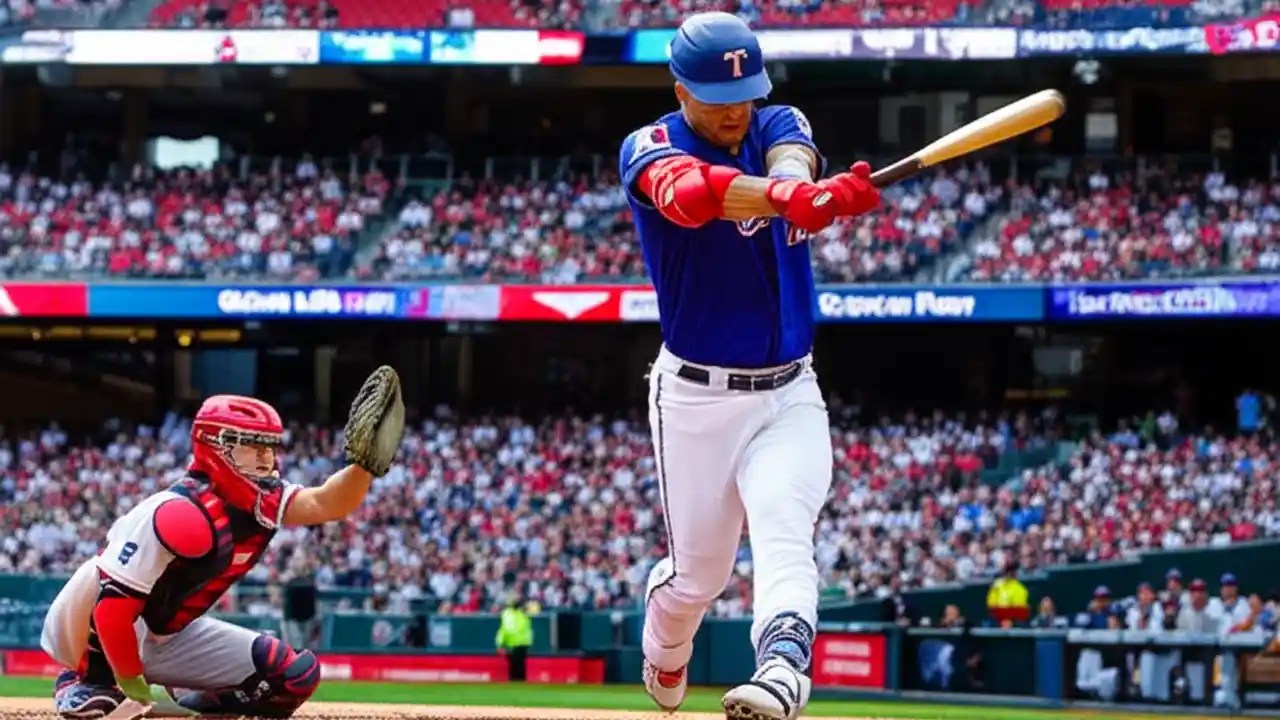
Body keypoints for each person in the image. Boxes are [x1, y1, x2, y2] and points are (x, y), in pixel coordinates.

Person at [617, 11, 879, 720]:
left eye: (745, 93)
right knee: (697, 577)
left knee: (783, 528)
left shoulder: (775, 122)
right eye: (715, 95)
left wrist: (810, 187)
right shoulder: (648, 145)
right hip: (696, 398)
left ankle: (783, 670)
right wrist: (786, 198)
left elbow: (795, 158)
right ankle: (666, 648)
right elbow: (694, 195)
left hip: (792, 390)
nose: (735, 109)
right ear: (680, 90)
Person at [42, 368, 405, 719]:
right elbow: (112, 609)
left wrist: (363, 467)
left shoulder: (264, 499)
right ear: (215, 445)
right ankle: (89, 679)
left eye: (268, 446)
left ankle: (192, 701)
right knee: (109, 671)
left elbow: (327, 503)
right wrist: (135, 685)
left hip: (168, 633)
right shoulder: (178, 513)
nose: (266, 456)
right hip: (99, 626)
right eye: (252, 445)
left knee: (294, 677)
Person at [496, 595, 534, 682]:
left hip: (515, 644)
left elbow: (503, 630)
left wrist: (499, 644)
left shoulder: (508, 614)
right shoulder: (521, 614)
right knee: (519, 667)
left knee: (515, 668)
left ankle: (516, 684)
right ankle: (520, 684)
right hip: (520, 644)